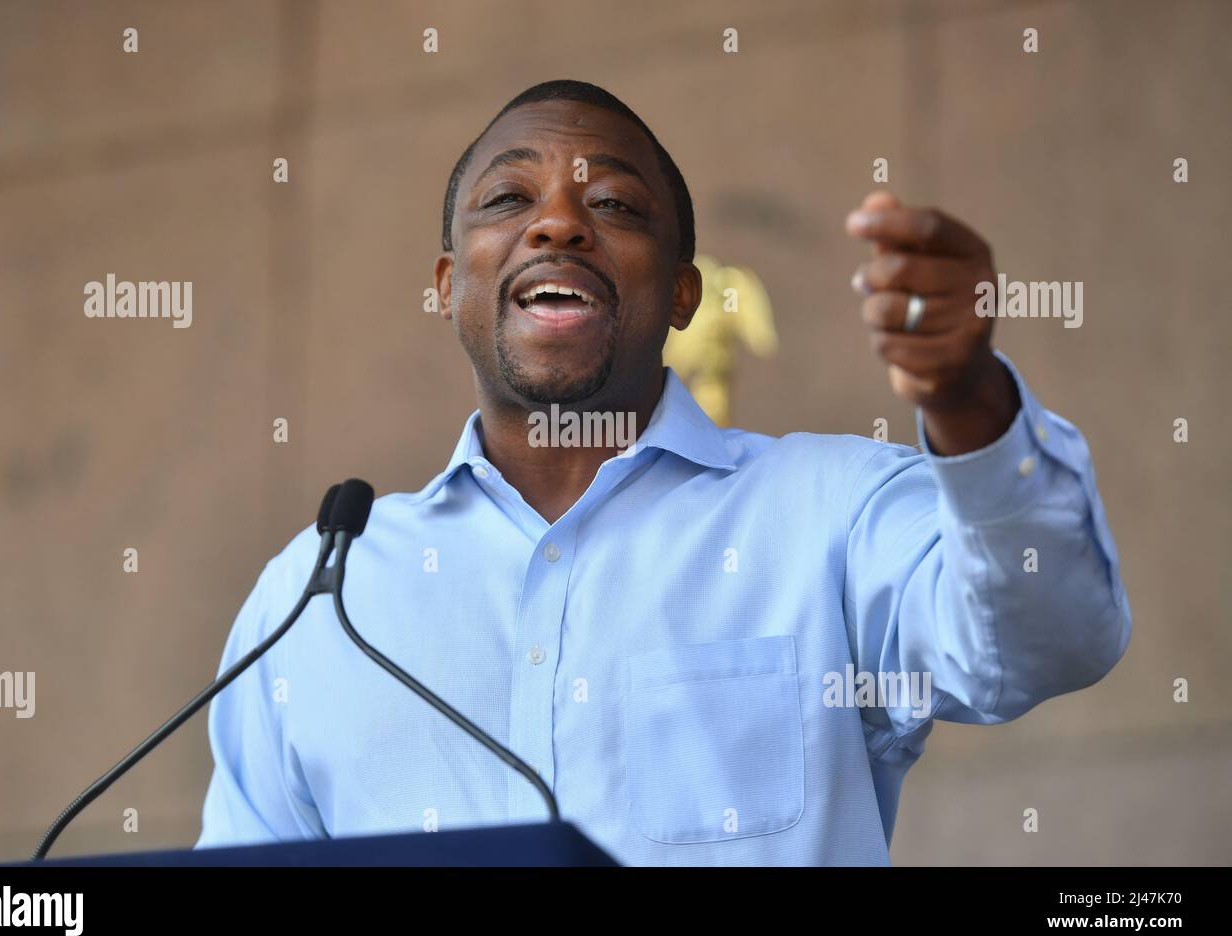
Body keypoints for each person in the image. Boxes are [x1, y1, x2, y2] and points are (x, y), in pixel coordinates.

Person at [197, 79, 1130, 865]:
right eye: (508, 200)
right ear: (447, 283)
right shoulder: (320, 596)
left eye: (612, 205)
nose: (558, 224)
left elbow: (1049, 641)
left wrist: (968, 399)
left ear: (684, 293)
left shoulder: (830, 516)